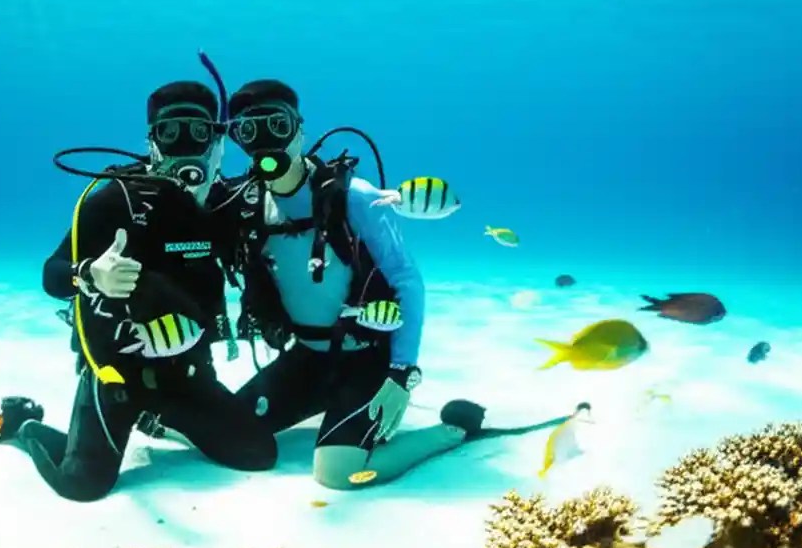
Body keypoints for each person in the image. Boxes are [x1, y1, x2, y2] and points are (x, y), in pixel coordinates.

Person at [159, 79, 555, 490]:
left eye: (276, 125)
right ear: (236, 139)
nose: (264, 141)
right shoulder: (244, 203)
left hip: (366, 358)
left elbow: (407, 280)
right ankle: (330, 407)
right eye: (248, 130)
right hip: (305, 359)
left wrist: (402, 374)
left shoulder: (356, 198)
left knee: (338, 474)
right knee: (222, 434)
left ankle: (450, 433)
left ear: (299, 130)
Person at [0, 80, 276, 502]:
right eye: (171, 132)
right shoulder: (115, 201)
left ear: (217, 139)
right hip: (117, 375)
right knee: (83, 485)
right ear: (152, 140)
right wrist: (90, 274)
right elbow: (52, 274)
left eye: (198, 132)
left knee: (257, 453)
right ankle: (21, 424)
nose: (185, 145)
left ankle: (158, 420)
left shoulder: (223, 205)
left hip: (188, 373)